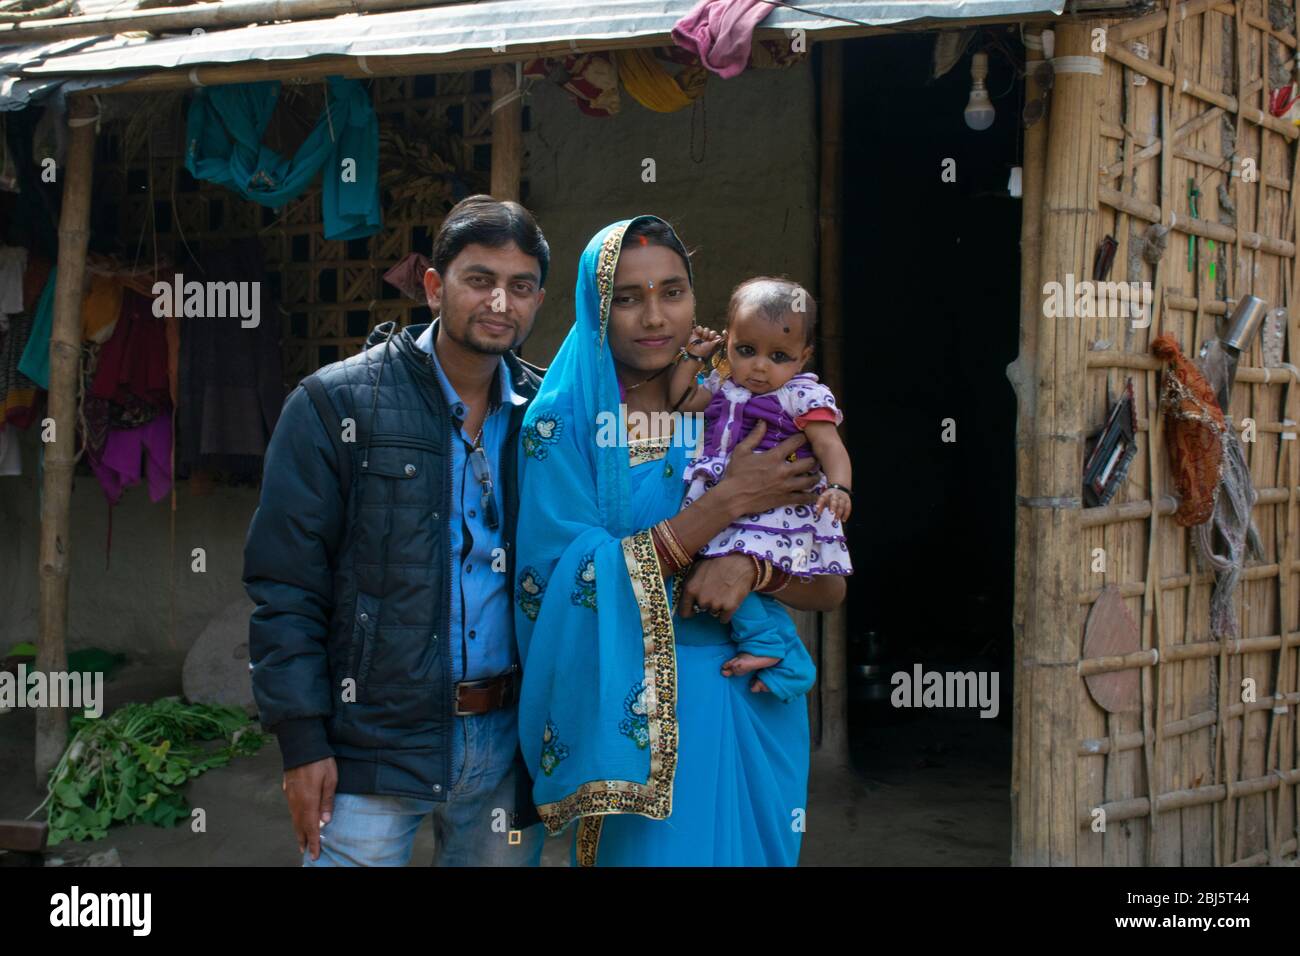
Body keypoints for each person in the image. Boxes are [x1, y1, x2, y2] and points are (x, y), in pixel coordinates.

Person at [513, 216, 846, 865]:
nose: (653, 316)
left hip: (755, 699)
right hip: (640, 727)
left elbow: (829, 584)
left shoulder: (747, 410)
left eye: (672, 291)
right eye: (628, 298)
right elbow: (555, 585)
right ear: (596, 309)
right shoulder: (562, 426)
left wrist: (753, 571)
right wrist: (726, 503)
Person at [244, 195, 550, 866]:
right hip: (372, 744)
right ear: (435, 287)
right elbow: (286, 586)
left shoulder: (548, 418)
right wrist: (302, 742)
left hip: (509, 740)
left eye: (520, 286)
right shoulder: (335, 404)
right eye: (480, 280)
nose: (500, 300)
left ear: (536, 302)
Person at [664, 277, 853, 687]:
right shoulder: (722, 385)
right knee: (726, 578)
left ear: (803, 358)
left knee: (728, 571)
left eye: (779, 356)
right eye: (746, 351)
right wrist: (694, 359)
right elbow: (682, 401)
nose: (760, 367)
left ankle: (771, 648)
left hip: (776, 508)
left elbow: (830, 446)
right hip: (728, 498)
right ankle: (788, 660)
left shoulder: (801, 396)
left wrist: (839, 488)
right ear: (728, 342)